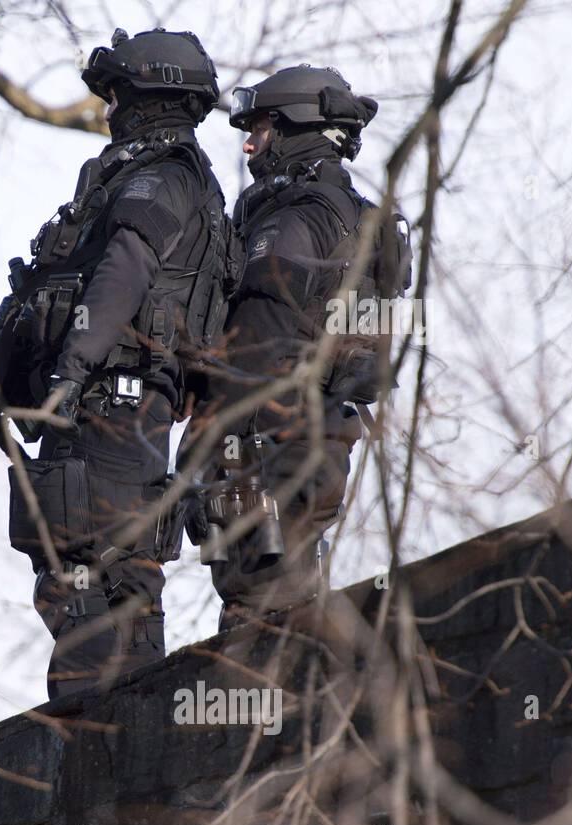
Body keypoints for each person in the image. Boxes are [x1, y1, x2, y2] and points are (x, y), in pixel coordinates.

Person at [0, 28, 240, 699]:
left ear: (150, 97)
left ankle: (102, 741)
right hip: (116, 404)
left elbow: (124, 272)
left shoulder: (161, 179)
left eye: (118, 94)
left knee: (101, 575)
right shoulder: (158, 180)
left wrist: (71, 370)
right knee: (93, 575)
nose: (109, 109)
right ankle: (108, 732)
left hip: (112, 404)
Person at [183, 65, 411, 631]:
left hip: (270, 442)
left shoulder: (293, 219)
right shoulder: (356, 216)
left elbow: (256, 347)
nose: (249, 143)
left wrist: (200, 443)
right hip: (323, 435)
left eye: (259, 129)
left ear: (294, 128)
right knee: (290, 598)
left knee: (257, 614)